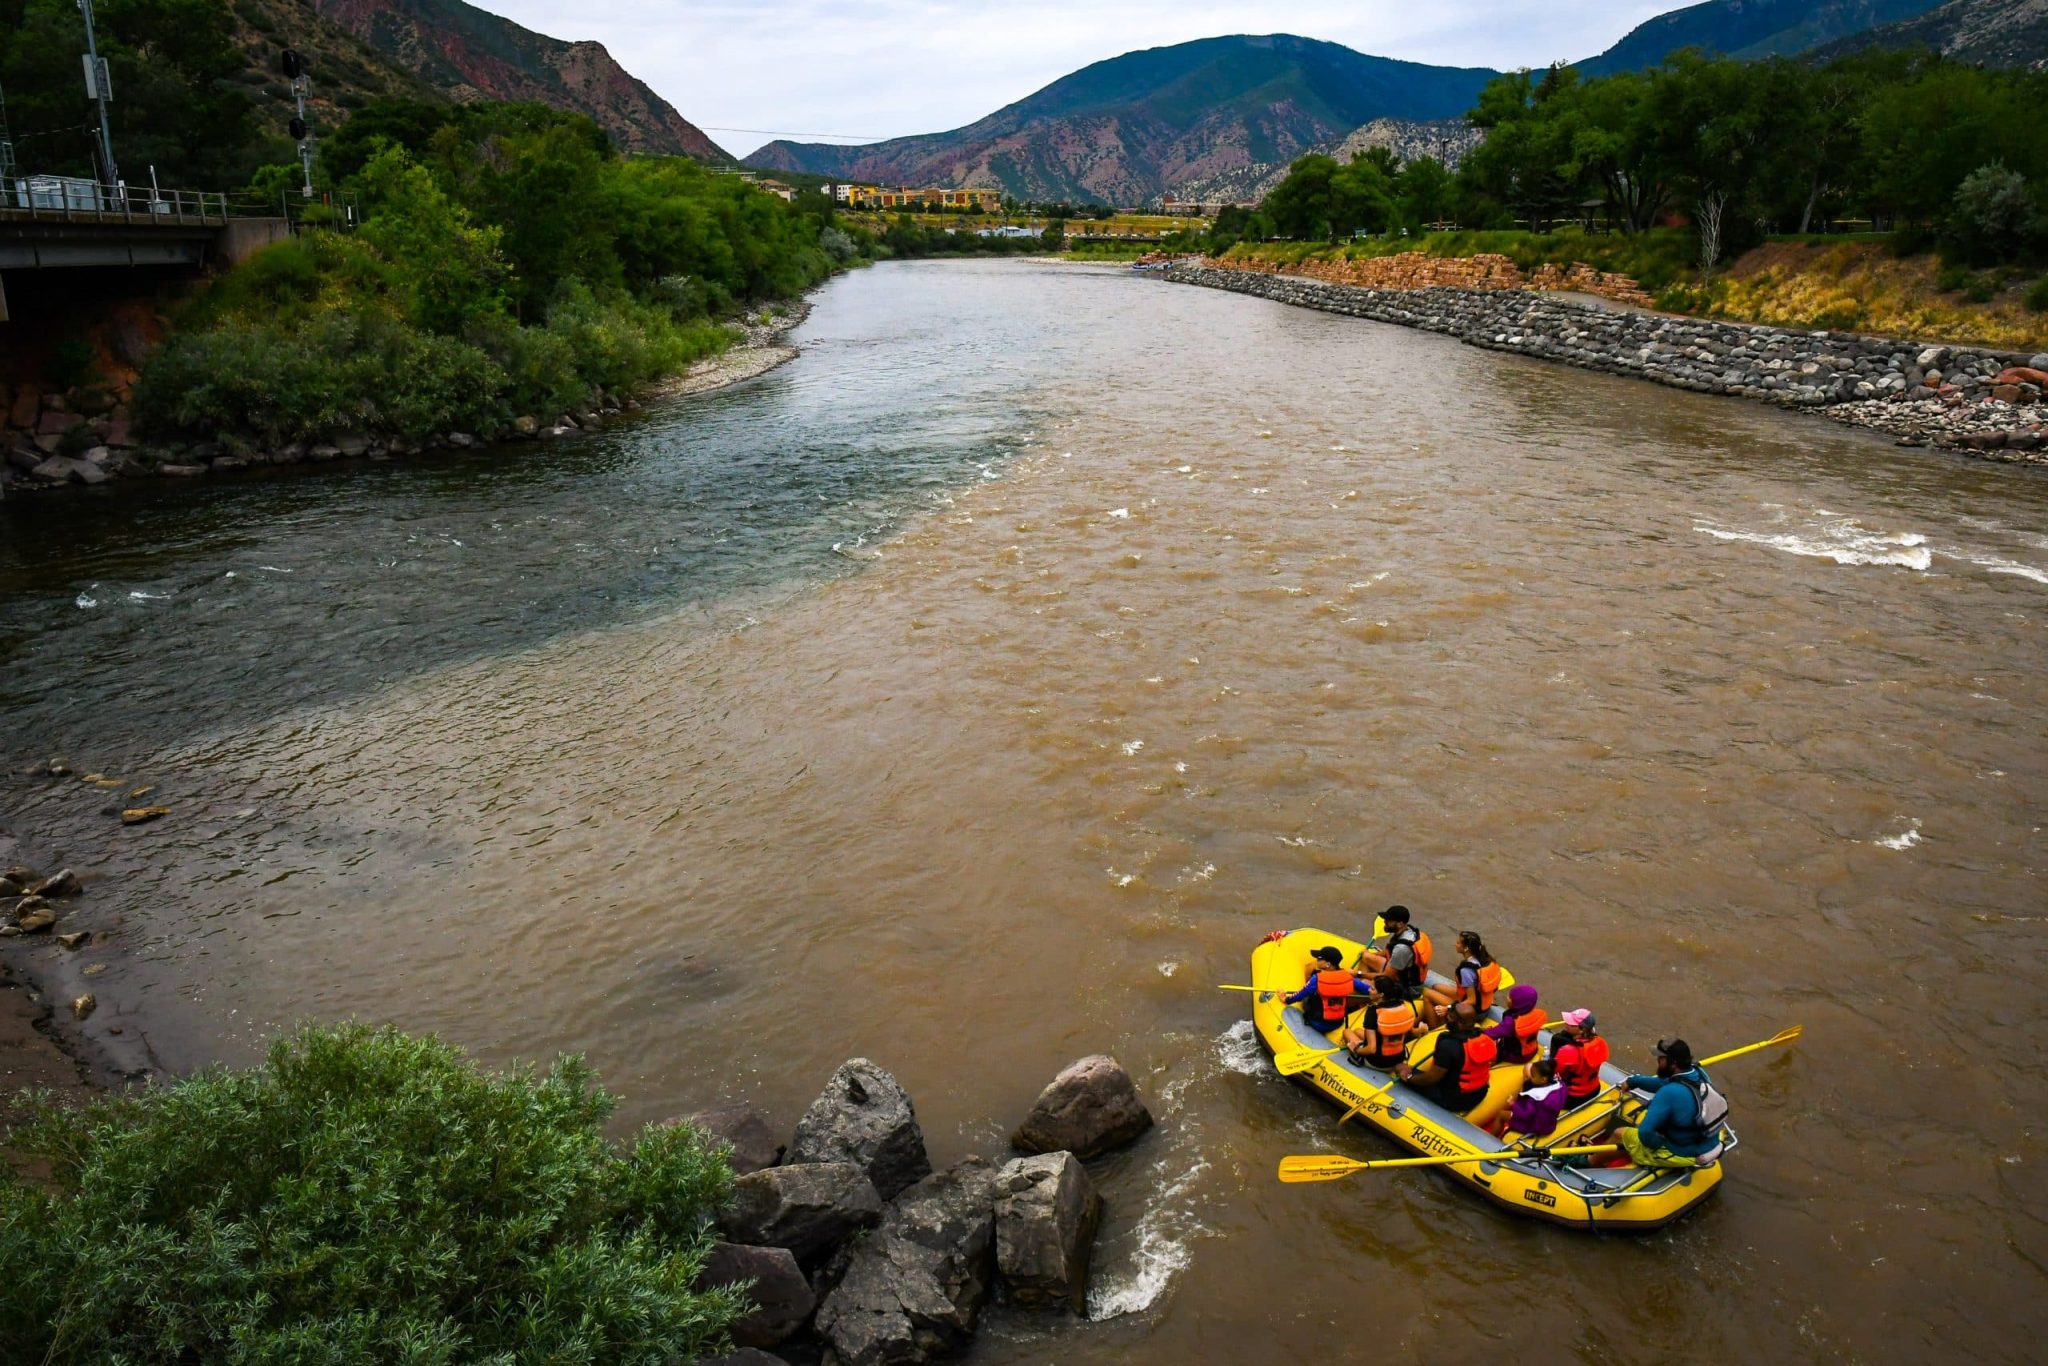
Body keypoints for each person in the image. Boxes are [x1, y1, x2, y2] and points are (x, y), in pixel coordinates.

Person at [1611, 1039, 1728, 1169]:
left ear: (1673, 1064)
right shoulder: (1700, 1073)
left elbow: (1645, 1134)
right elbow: (1660, 1083)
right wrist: (1634, 1081)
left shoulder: (1668, 1093)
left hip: (1683, 1153)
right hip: (1708, 1141)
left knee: (1619, 1133)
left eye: (1661, 1058)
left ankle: (1592, 1161)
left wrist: (1659, 1141)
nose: (1658, 1061)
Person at [1396, 1000, 1494, 1114]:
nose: (1447, 1017)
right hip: (1480, 1093)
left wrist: (1409, 1078)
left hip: (1453, 1100)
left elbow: (1431, 1078)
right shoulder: (1483, 1037)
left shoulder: (1448, 1046)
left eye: (1451, 1017)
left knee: (1399, 1067)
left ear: (1460, 1024)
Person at [1282, 946, 1371, 1037]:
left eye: (1319, 959)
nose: (1317, 960)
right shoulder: (1349, 978)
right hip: (1337, 1023)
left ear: (1328, 964)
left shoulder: (1316, 979)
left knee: (1308, 995)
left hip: (1317, 1023)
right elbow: (1368, 990)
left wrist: (1286, 999)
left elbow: (1299, 996)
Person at [1423, 930, 1502, 1027]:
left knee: (1426, 994)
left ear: (1466, 948)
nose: (1455, 945)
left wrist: (1448, 1008)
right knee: (1436, 987)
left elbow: (1471, 1000)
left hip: (1474, 1012)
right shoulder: (1486, 960)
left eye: (1458, 943)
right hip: (1483, 1005)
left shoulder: (1466, 971)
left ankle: (1433, 1028)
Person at [1356, 905, 1432, 1002]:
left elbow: (1386, 976)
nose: (1384, 922)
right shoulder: (1408, 931)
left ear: (1400, 924)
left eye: (1388, 921)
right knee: (1366, 957)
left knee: (1363, 983)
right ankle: (1363, 984)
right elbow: (1389, 951)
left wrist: (1359, 974)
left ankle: (1367, 999)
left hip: (1403, 985)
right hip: (1400, 972)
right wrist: (1371, 954)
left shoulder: (1402, 949)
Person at [1343, 975, 1418, 1070]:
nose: (1369, 990)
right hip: (1399, 1058)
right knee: (1358, 1031)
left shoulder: (1373, 1012)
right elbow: (1412, 1031)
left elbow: (1371, 1049)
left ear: (1381, 994)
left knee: (1346, 1032)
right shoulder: (1402, 1006)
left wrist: (1356, 1050)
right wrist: (1422, 1029)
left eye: (1372, 989)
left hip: (1378, 1062)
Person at [1488, 1058, 1567, 1139]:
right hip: (1549, 1124)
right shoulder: (1560, 1086)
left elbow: (1525, 1115)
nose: (1530, 1078)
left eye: (1532, 1076)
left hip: (1533, 1126)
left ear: (1543, 1079)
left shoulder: (1536, 1097)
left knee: (1500, 1114)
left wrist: (1513, 1104)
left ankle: (1490, 1140)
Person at [1550, 1009, 1610, 1109]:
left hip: (1572, 1098)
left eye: (1571, 1023)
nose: (1566, 1023)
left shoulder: (1567, 1051)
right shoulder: (1599, 1042)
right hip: (1594, 1090)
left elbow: (1554, 1073)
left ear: (1582, 1030)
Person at [1482, 983, 1547, 1065]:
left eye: (1510, 997)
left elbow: (1492, 1034)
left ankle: (1494, 1063)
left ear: (1517, 1004)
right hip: (1532, 1050)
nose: (1507, 998)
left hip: (1515, 1056)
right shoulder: (1533, 1013)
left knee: (1492, 1047)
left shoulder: (1511, 1022)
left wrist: (1479, 1032)